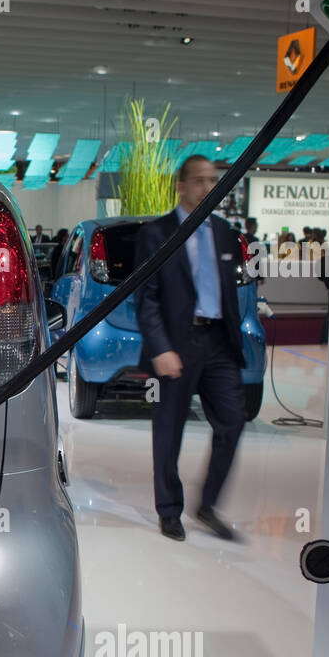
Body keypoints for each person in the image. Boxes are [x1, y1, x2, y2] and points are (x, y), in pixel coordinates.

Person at [133, 155, 247, 542]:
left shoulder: (225, 232)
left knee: (232, 423)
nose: (206, 188)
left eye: (212, 181)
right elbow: (145, 298)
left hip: (217, 342)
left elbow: (230, 292)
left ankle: (208, 505)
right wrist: (160, 347)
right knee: (169, 431)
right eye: (198, 180)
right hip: (175, 343)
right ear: (180, 185)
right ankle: (169, 510)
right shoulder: (157, 233)